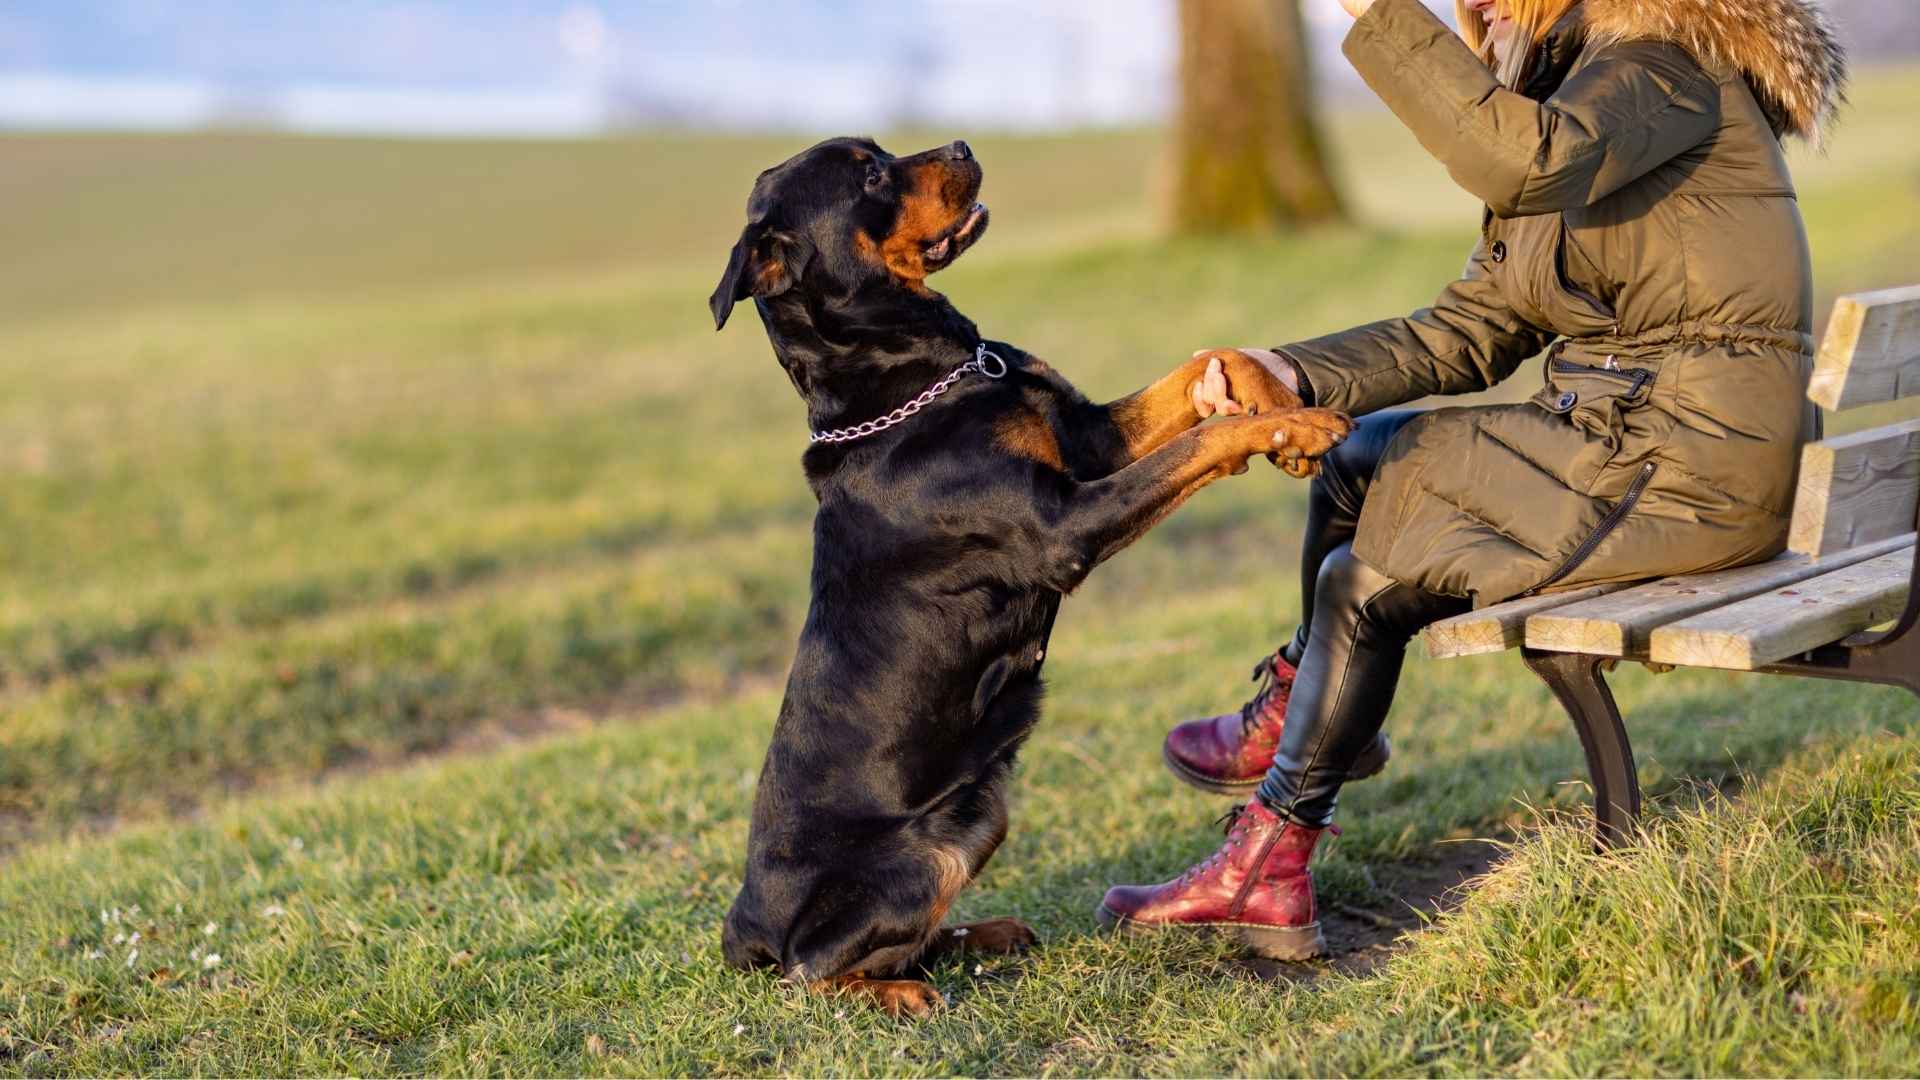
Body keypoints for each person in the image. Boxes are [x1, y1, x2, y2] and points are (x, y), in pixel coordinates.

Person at [1098, 0, 1847, 961]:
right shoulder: (1580, 97)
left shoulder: (1658, 67)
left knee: (1366, 569)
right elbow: (1472, 330)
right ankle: (1304, 719)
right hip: (1650, 448)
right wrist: (1289, 373)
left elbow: (1521, 160)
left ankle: (1269, 852)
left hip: (1688, 467)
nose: (1479, 4)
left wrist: (1379, 17)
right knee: (1353, 450)